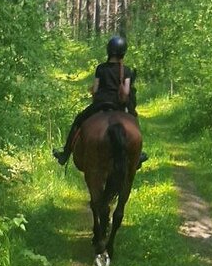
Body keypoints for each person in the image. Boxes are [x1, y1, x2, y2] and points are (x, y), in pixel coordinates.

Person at [53, 35, 148, 167]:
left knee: (78, 120)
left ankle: (65, 153)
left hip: (101, 104)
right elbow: (126, 92)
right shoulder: (126, 70)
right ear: (123, 52)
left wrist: (93, 91)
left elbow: (96, 89)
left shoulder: (101, 68)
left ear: (109, 50)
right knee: (134, 122)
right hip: (119, 105)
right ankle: (138, 154)